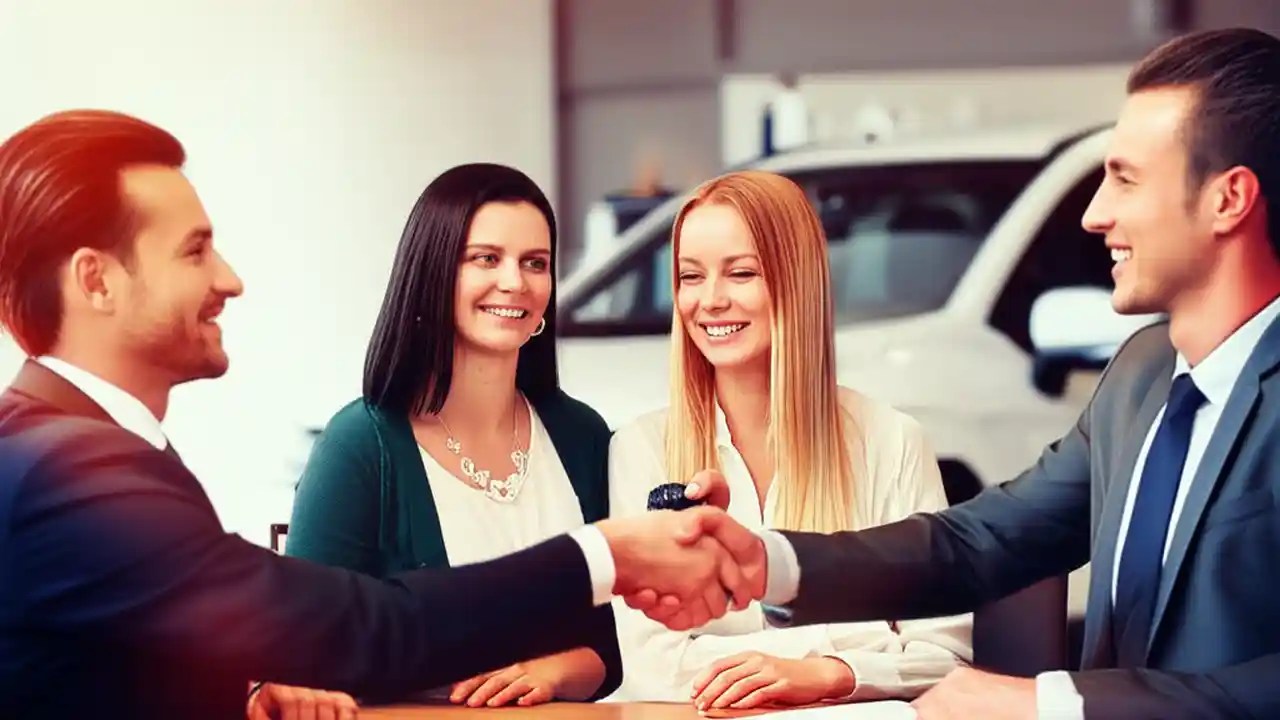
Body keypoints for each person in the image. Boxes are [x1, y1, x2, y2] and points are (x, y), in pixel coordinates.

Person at [0, 109, 766, 720]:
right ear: (95, 282)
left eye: (536, 262)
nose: (230, 280)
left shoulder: (84, 453)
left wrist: (247, 691)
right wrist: (606, 553)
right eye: (196, 251)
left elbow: (151, 648)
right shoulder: (69, 474)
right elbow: (357, 623)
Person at [657, 27, 1280, 720]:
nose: (1094, 213)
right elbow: (979, 542)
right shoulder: (1140, 376)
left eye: (1125, 180)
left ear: (1229, 199)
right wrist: (763, 562)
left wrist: (1050, 701)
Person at [607, 170, 970, 710]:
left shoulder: (891, 441)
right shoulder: (642, 447)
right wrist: (860, 646)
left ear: (795, 281)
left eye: (741, 273)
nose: (710, 301)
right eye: (690, 276)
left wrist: (827, 675)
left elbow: (942, 652)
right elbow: (649, 667)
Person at [282, 163, 620, 708]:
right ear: (435, 272)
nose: (515, 281)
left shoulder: (582, 436)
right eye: (486, 258)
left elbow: (625, 634)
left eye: (535, 263)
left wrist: (562, 671)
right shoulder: (361, 444)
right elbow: (305, 646)